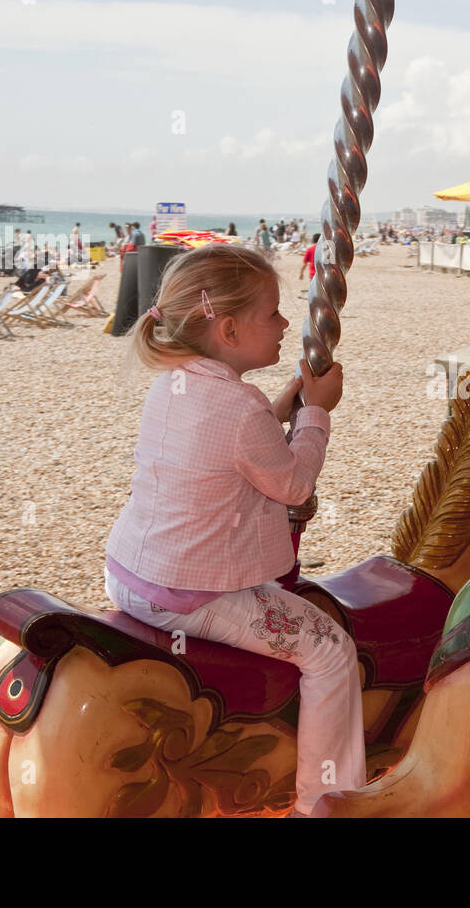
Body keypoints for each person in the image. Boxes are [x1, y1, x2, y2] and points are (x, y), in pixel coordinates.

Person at [105, 243, 363, 817]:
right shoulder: (241, 409)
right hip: (188, 595)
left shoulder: (176, 385)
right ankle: (324, 800)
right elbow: (293, 485)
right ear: (227, 329)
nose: (285, 324)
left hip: (128, 576)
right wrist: (318, 412)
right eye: (272, 313)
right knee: (330, 651)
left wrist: (284, 405)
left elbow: (229, 444)